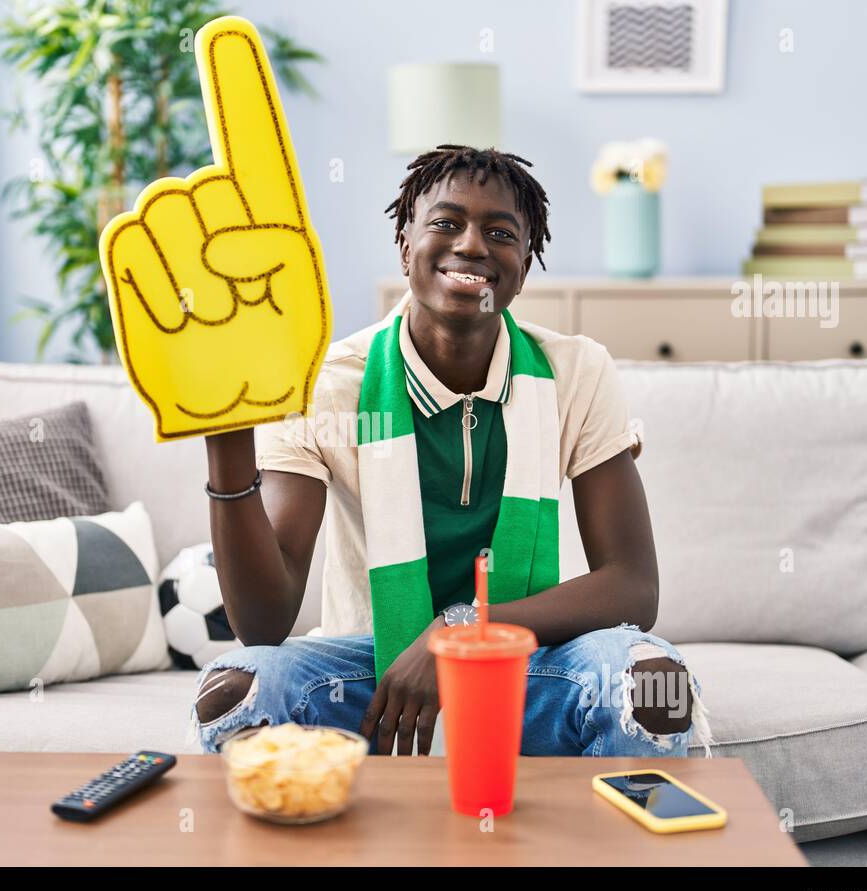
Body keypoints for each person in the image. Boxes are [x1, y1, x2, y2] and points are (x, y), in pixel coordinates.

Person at [190, 144, 713, 759]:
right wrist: (224, 434)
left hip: (527, 663)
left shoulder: (576, 371)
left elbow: (632, 586)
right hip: (373, 673)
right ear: (406, 245)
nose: (471, 245)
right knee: (244, 689)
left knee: (650, 682)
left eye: (500, 232)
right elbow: (263, 621)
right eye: (445, 223)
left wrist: (461, 630)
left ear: (524, 263)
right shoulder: (328, 384)